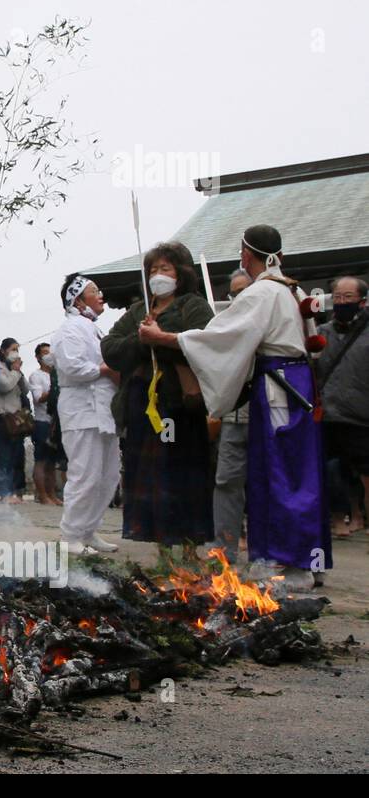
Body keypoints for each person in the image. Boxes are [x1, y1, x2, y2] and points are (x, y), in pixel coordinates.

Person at [140, 225, 329, 587]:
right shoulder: (293, 289)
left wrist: (163, 337)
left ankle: (287, 563)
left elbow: (220, 337)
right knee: (296, 471)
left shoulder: (262, 294)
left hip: (278, 386)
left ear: (246, 253)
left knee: (278, 473)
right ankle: (301, 560)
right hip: (297, 384)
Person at [101, 241, 215, 554]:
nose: (159, 275)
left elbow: (205, 342)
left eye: (165, 268)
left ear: (181, 272)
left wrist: (161, 337)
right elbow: (111, 348)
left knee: (182, 473)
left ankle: (189, 548)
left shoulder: (194, 305)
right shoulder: (139, 311)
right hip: (142, 404)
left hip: (179, 405)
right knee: (149, 474)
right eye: (154, 269)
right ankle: (162, 548)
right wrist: (141, 341)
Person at [51, 274, 121, 553]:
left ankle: (88, 530)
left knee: (108, 476)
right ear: (78, 299)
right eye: (95, 291)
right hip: (81, 412)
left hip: (103, 412)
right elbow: (72, 367)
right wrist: (105, 369)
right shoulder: (70, 329)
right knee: (85, 475)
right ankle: (70, 536)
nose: (101, 294)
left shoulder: (93, 328)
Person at [315, 276, 369, 540]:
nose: (342, 302)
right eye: (337, 297)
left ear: (363, 301)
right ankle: (338, 519)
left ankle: (361, 517)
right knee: (325, 469)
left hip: (361, 416)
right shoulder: (322, 333)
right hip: (328, 415)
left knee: (366, 475)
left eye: (348, 298)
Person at [210, 268, 253, 561]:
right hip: (232, 415)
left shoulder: (272, 315)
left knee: (268, 483)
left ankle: (266, 549)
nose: (240, 298)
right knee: (226, 481)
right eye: (235, 293)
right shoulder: (221, 323)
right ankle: (225, 549)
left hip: (266, 415)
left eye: (245, 291)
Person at [0, 337, 30, 503]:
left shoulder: (16, 370)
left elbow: (25, 390)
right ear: (3, 350)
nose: (15, 353)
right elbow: (4, 386)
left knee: (16, 456)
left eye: (17, 350)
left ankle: (15, 490)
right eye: (12, 349)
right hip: (1, 417)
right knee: (4, 455)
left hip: (16, 418)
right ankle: (3, 491)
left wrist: (19, 372)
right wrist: (14, 371)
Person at [29, 343, 62, 505]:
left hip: (56, 422)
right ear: (38, 357)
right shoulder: (36, 376)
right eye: (44, 353)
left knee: (52, 461)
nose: (48, 356)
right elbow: (38, 397)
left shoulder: (57, 374)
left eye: (50, 353)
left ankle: (52, 494)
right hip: (42, 422)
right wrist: (54, 391)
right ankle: (42, 495)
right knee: (41, 460)